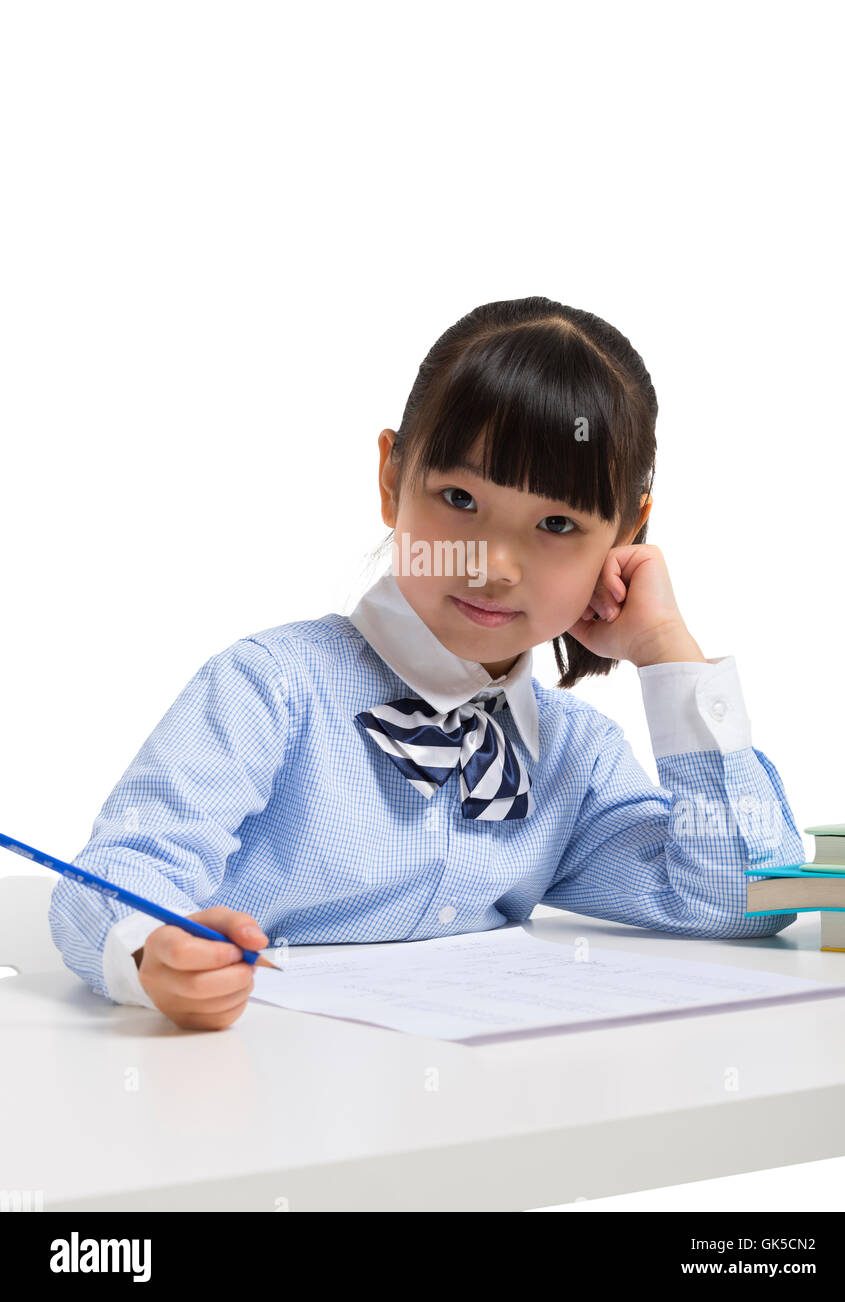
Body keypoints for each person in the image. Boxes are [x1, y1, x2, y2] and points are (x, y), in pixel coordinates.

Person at [48, 295, 804, 1030]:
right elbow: (119, 870)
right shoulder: (270, 692)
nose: (495, 566)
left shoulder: (574, 758)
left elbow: (739, 897)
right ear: (390, 479)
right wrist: (153, 955)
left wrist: (666, 651)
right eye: (459, 499)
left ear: (627, 532)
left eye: (556, 522)